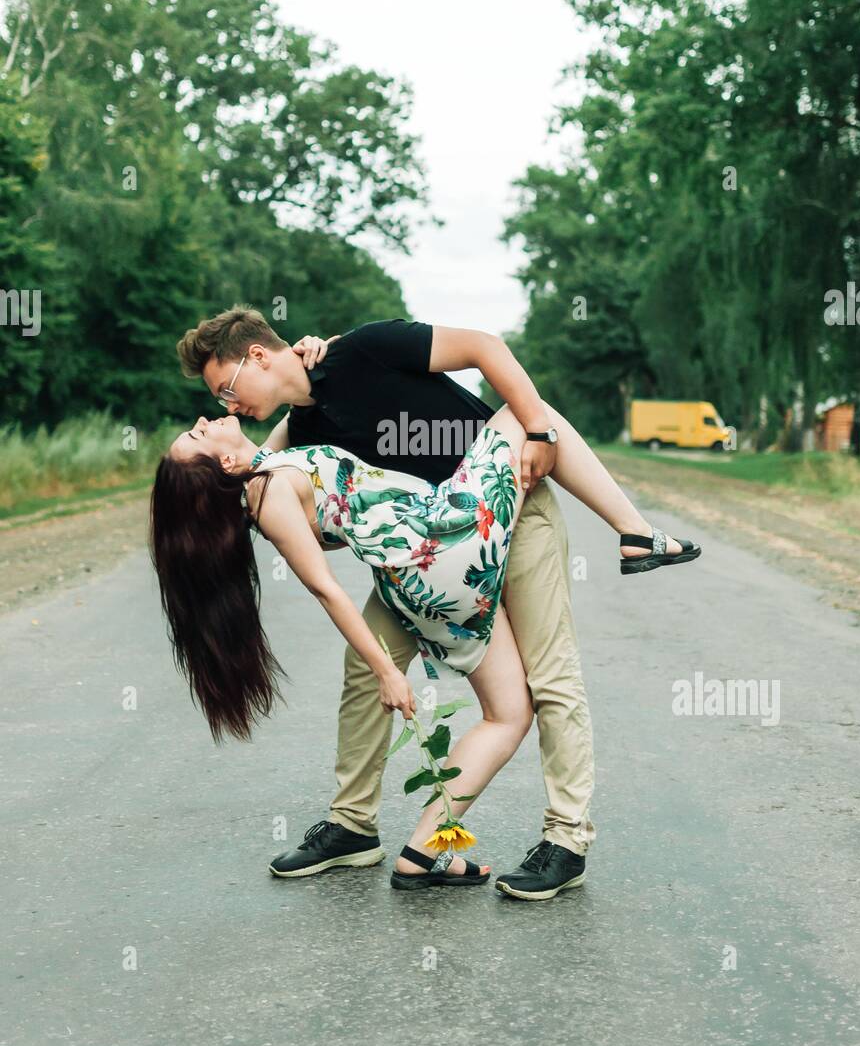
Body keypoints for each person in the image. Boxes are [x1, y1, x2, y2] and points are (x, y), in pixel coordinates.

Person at [164, 309, 699, 899]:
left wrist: (540, 432)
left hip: (511, 512)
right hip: (429, 558)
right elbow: (253, 483)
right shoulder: (296, 433)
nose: (226, 407)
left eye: (226, 390)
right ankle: (352, 825)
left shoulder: (366, 348)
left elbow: (484, 347)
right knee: (368, 674)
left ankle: (565, 838)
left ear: (258, 356)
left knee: (549, 676)